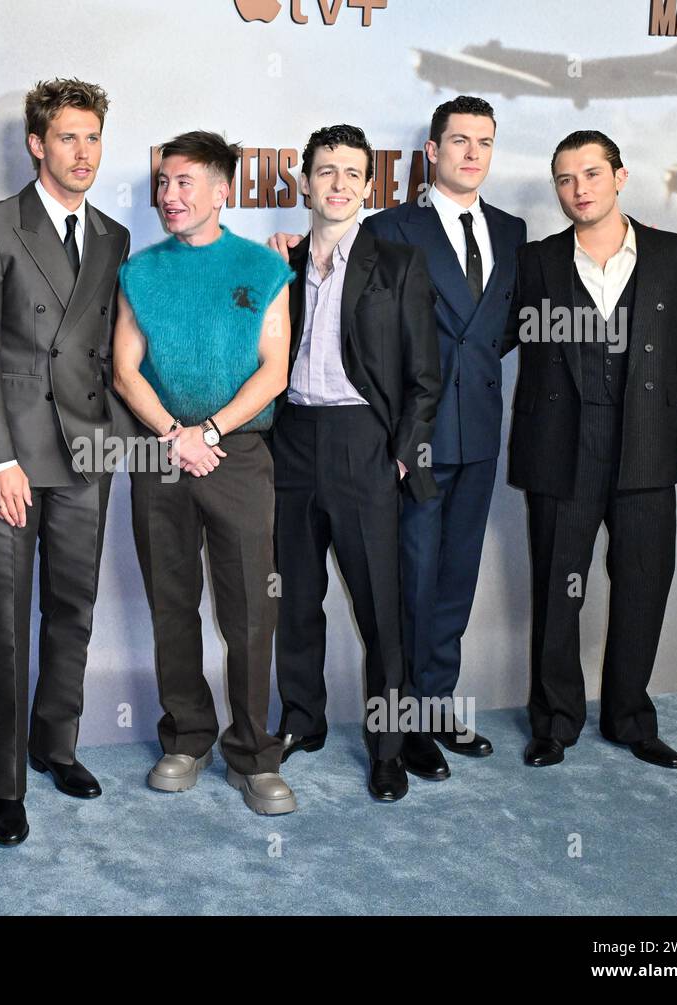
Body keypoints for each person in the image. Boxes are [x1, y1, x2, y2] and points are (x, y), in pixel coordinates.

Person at [502, 130, 677, 769]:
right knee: (556, 591)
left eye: (592, 175)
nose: (580, 190)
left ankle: (630, 717)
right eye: (567, 180)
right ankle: (555, 721)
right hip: (560, 449)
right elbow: (489, 337)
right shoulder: (537, 261)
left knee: (643, 584)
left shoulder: (671, 254)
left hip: (645, 447)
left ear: (619, 177)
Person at [0, 79, 131, 846]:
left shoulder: (115, 237)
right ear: (37, 144)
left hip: (89, 453)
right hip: (13, 460)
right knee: (4, 623)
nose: (82, 152)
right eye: (67, 137)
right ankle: (6, 783)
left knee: (73, 611)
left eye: (92, 137)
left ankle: (56, 746)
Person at [114, 130, 296, 816]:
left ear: (223, 191)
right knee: (171, 600)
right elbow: (124, 367)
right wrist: (174, 434)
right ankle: (186, 737)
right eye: (163, 183)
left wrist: (211, 431)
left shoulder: (262, 267)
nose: (169, 195)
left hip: (239, 454)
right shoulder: (141, 270)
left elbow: (274, 370)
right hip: (161, 454)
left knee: (251, 609)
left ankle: (253, 752)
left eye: (184, 182)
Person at [270, 125, 440, 801]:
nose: (338, 184)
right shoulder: (277, 264)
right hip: (292, 442)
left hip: (365, 445)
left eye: (351, 173)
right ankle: (301, 720)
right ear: (305, 181)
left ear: (369, 186)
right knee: (296, 601)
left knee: (382, 614)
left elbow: (427, 376)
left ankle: (388, 748)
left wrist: (399, 456)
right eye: (325, 171)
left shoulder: (398, 264)